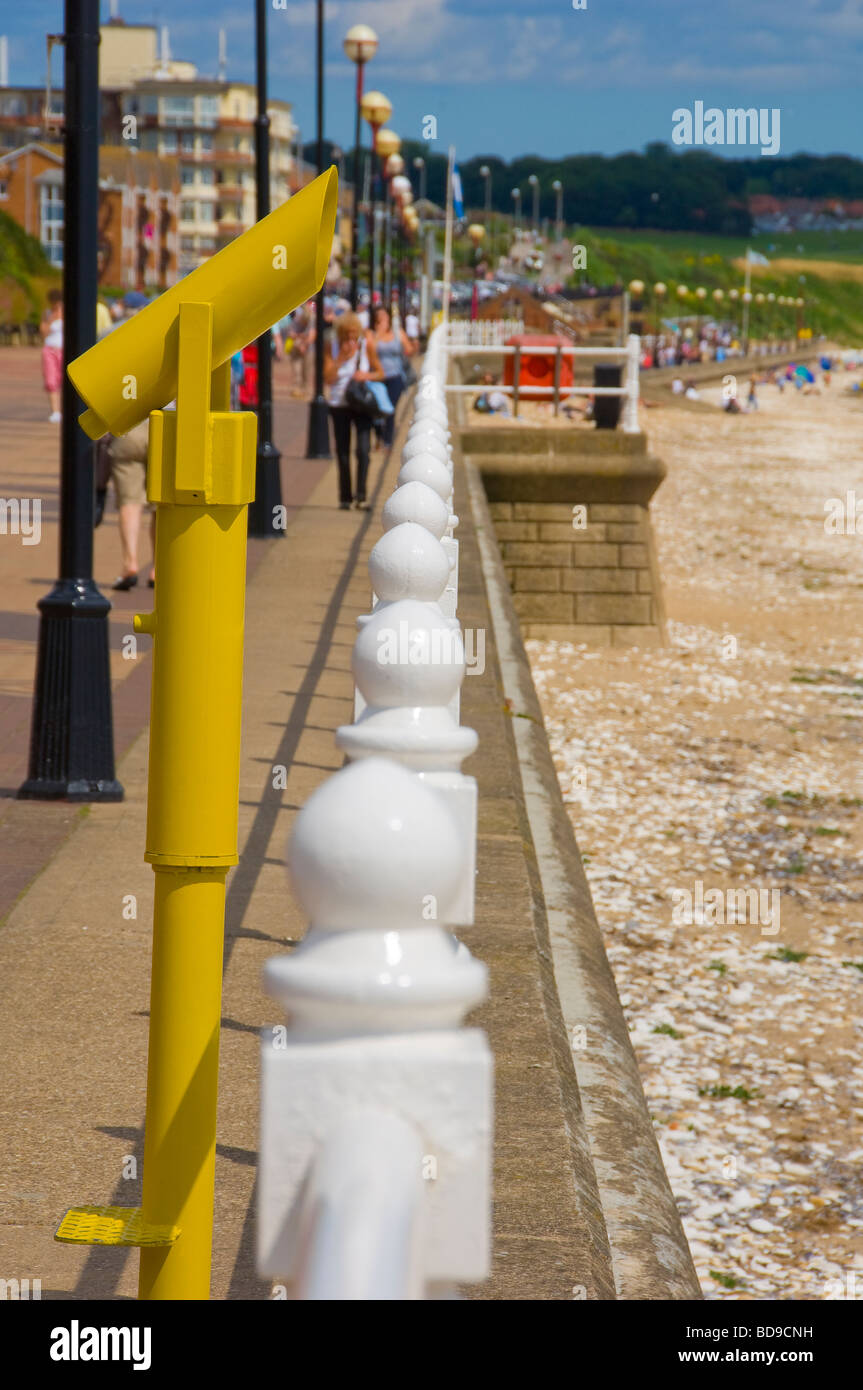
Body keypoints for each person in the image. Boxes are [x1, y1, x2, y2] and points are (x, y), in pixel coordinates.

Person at [324, 311, 384, 511]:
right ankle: (345, 497)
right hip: (339, 404)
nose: (350, 339)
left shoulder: (366, 346)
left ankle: (361, 496)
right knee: (342, 452)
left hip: (361, 404)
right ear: (340, 334)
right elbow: (328, 379)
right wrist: (340, 358)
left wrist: (365, 375)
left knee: (363, 451)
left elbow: (380, 372)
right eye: (346, 335)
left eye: (353, 335)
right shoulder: (331, 347)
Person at [371, 304, 415, 446]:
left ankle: (387, 441)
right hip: (377, 377)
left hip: (395, 376)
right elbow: (369, 351)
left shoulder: (397, 332)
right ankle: (379, 435)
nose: (383, 320)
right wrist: (378, 334)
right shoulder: (372, 334)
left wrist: (409, 347)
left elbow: (409, 349)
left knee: (390, 408)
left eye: (384, 316)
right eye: (379, 318)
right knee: (378, 409)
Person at [40, 288, 63, 422]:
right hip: (49, 349)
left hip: (63, 349)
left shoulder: (67, 312)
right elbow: (43, 332)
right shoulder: (47, 313)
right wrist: (50, 320)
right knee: (51, 380)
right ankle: (56, 411)